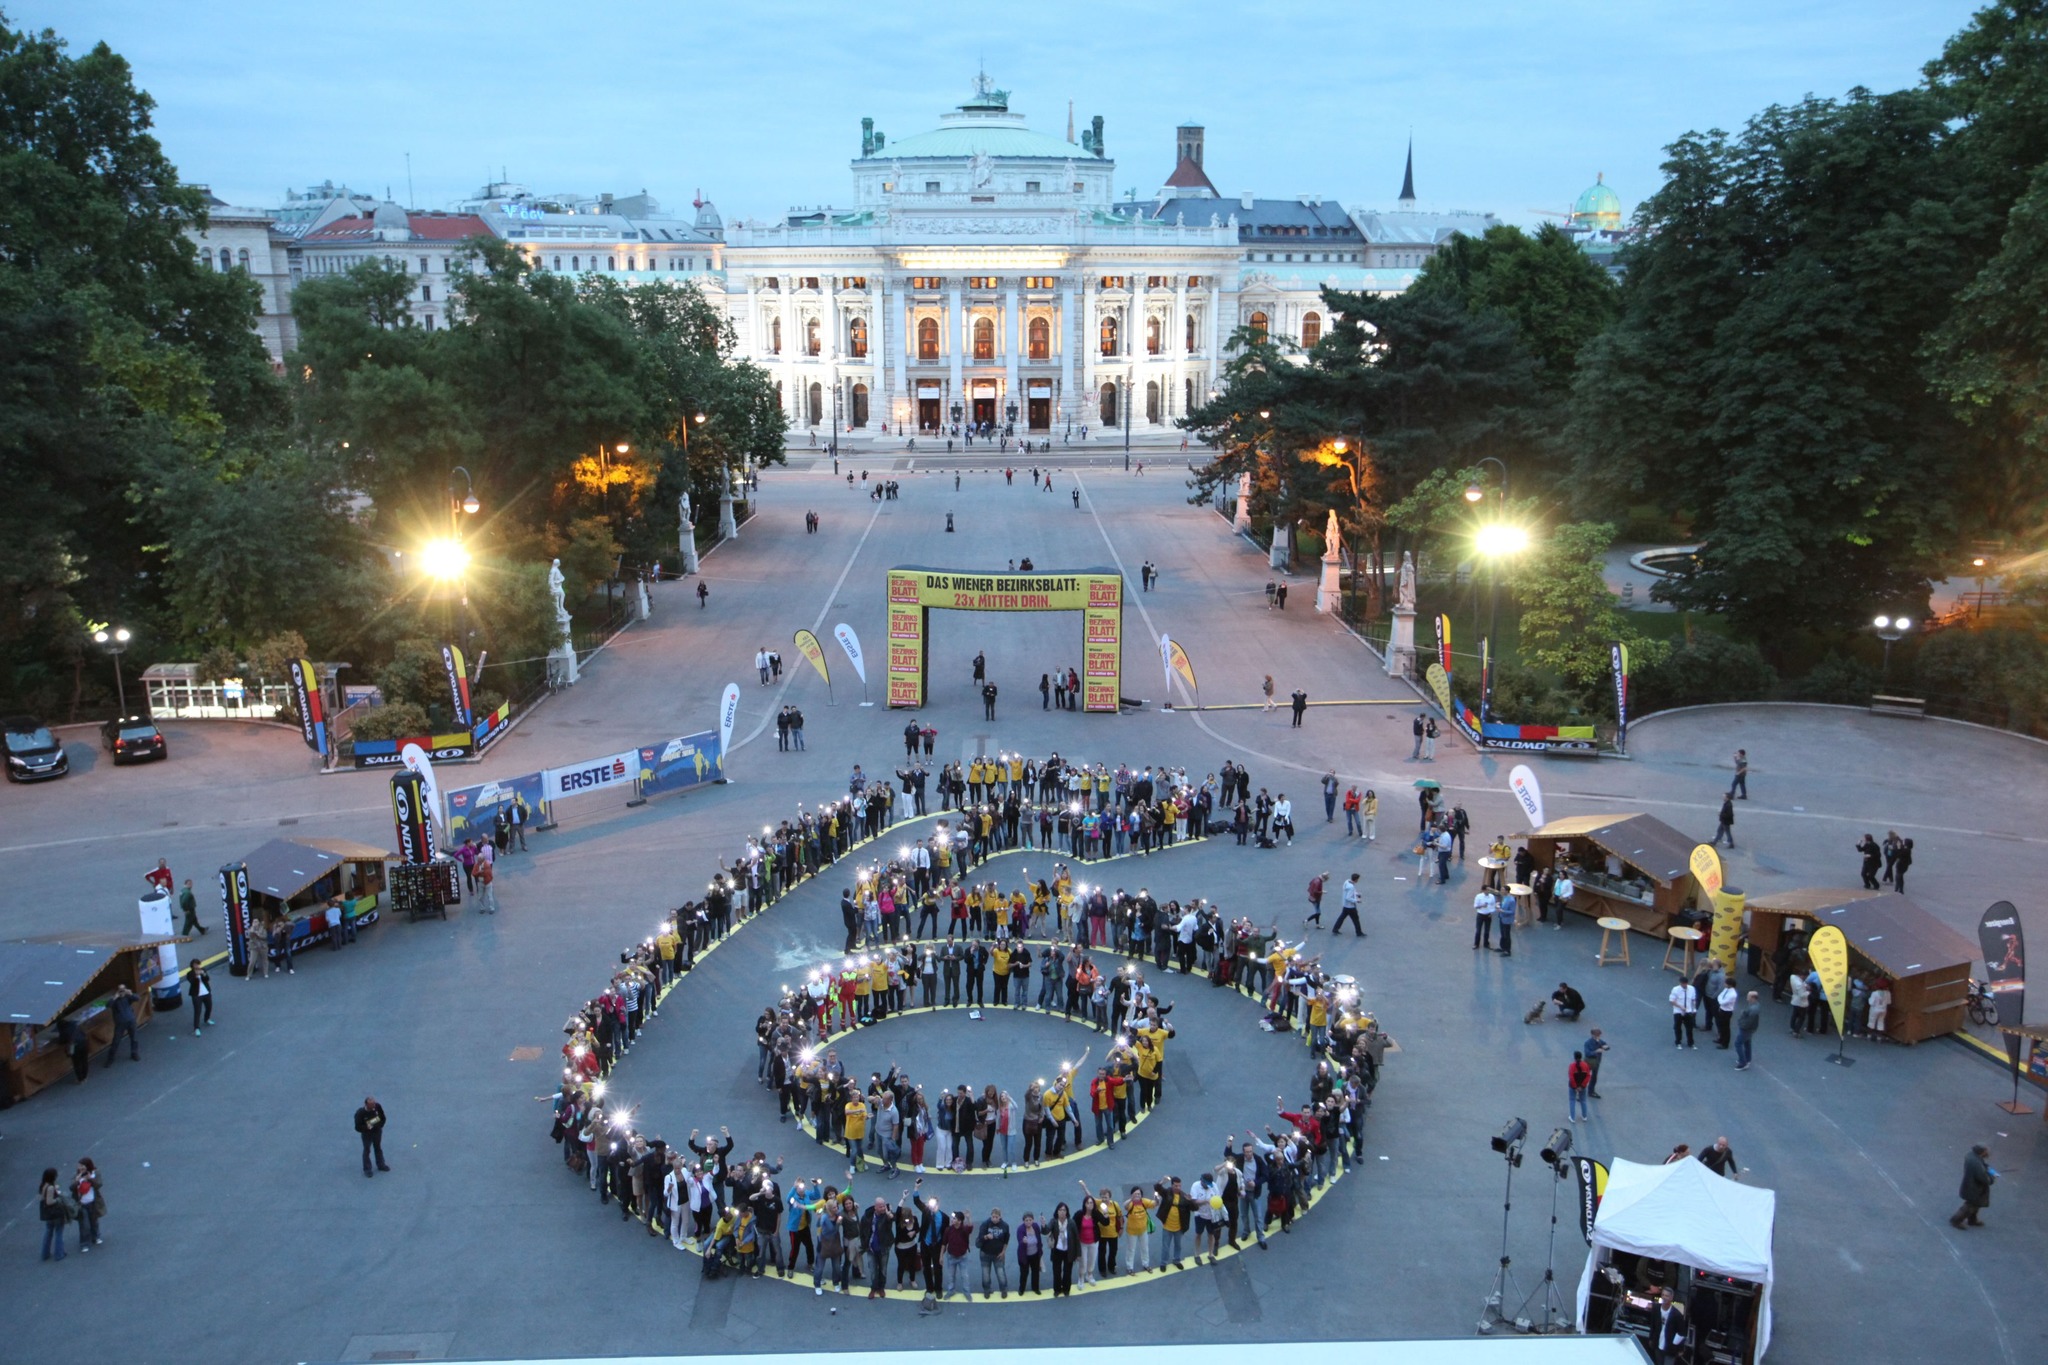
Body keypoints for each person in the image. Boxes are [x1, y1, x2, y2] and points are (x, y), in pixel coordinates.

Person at [1952, 1143, 1995, 1228]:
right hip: (1975, 1188)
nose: (1987, 1153)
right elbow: (1984, 1178)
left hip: (1970, 1184)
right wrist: (1992, 1177)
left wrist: (1988, 1169)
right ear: (1982, 1152)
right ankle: (1956, 1220)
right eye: (1986, 1151)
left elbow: (1982, 1166)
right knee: (1971, 1205)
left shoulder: (1971, 1156)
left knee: (1976, 1204)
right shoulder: (1976, 1164)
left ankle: (1972, 1220)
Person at [102, 984, 140, 1066]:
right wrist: (115, 997)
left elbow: (137, 998)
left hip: (131, 1020)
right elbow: (108, 1005)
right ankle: (110, 1059)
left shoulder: (128, 997)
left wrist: (130, 993)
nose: (122, 992)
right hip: (120, 1023)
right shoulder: (115, 999)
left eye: (123, 989)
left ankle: (134, 1053)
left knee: (134, 1038)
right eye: (120, 990)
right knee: (116, 1041)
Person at [356, 1096, 390, 1177]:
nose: (373, 1106)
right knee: (367, 1150)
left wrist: (379, 1126)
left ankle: (381, 1165)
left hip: (377, 1132)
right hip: (367, 1135)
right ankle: (367, 1169)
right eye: (371, 1104)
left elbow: (383, 1118)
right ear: (366, 1104)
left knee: (378, 1147)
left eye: (374, 1103)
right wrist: (367, 1127)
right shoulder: (360, 1113)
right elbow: (357, 1127)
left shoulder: (377, 1107)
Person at [72, 1158, 103, 1248]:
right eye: (79, 1166)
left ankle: (95, 1237)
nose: (80, 1168)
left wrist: (90, 1179)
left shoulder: (94, 1173)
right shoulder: (77, 1175)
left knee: (94, 1222)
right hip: (82, 1203)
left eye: (82, 1166)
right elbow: (71, 1188)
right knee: (84, 1224)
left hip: (93, 1202)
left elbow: (98, 1185)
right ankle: (84, 1243)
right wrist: (77, 1181)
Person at [40, 1168, 69, 1262]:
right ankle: (59, 1254)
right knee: (59, 1232)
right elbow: (49, 1201)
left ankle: (45, 1253)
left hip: (48, 1214)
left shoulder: (43, 1185)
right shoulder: (51, 1187)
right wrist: (58, 1199)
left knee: (48, 1232)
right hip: (55, 1213)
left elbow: (42, 1199)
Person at [1734, 989, 1761, 1070]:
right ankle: (1747, 1059)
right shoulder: (1755, 1005)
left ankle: (1743, 1063)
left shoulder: (1753, 1009)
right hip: (1749, 1029)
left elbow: (1749, 1021)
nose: (1747, 998)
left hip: (1746, 1029)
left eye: (1748, 997)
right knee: (1747, 1043)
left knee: (1738, 1043)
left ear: (1753, 998)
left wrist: (1741, 1024)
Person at [185, 962, 213, 1035]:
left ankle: (207, 1019)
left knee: (209, 1007)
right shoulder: (190, 973)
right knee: (197, 1011)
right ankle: (196, 1028)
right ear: (192, 966)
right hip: (196, 995)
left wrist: (203, 974)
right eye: (196, 964)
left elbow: (207, 979)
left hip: (206, 992)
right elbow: (192, 982)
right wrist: (196, 976)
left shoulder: (203, 970)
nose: (197, 966)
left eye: (198, 964)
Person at [1670, 979, 1698, 1049]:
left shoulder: (1692, 989)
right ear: (1680, 983)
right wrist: (1681, 1007)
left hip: (1688, 1011)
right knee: (1677, 1027)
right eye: (1683, 984)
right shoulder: (1675, 989)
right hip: (1678, 1011)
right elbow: (1672, 1001)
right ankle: (1678, 1042)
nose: (1684, 985)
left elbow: (1693, 1000)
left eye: (1685, 984)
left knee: (1689, 1028)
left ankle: (1691, 1043)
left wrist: (1694, 1009)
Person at [1582, 1028, 1610, 1098]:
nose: (1598, 1037)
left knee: (1594, 1077)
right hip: (1589, 1062)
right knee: (1584, 1077)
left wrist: (1606, 1047)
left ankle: (1591, 1091)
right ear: (1592, 1035)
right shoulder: (1588, 1043)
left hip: (1596, 1062)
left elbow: (1606, 1046)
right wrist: (1596, 1052)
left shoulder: (1600, 1041)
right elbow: (1587, 1053)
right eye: (1597, 1035)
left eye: (1599, 1035)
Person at [1567, 1052, 1592, 1122]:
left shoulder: (1572, 1066)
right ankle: (1584, 1116)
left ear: (1574, 1057)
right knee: (1583, 1100)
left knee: (1572, 1100)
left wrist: (1575, 1087)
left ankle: (1572, 1117)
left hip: (1573, 1086)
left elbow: (1571, 1077)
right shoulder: (1585, 1065)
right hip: (1582, 1086)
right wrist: (1582, 1086)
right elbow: (1588, 1076)